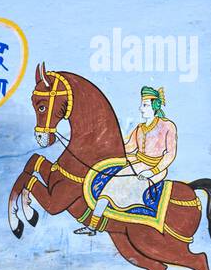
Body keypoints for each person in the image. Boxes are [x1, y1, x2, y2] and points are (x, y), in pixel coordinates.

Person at [76, 86, 178, 234]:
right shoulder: (139, 128)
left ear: (155, 106)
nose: (141, 109)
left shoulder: (168, 126)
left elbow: (170, 154)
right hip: (137, 164)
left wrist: (153, 171)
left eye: (145, 105)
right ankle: (92, 227)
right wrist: (105, 143)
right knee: (107, 189)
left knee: (127, 189)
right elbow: (127, 148)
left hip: (155, 169)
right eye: (142, 105)